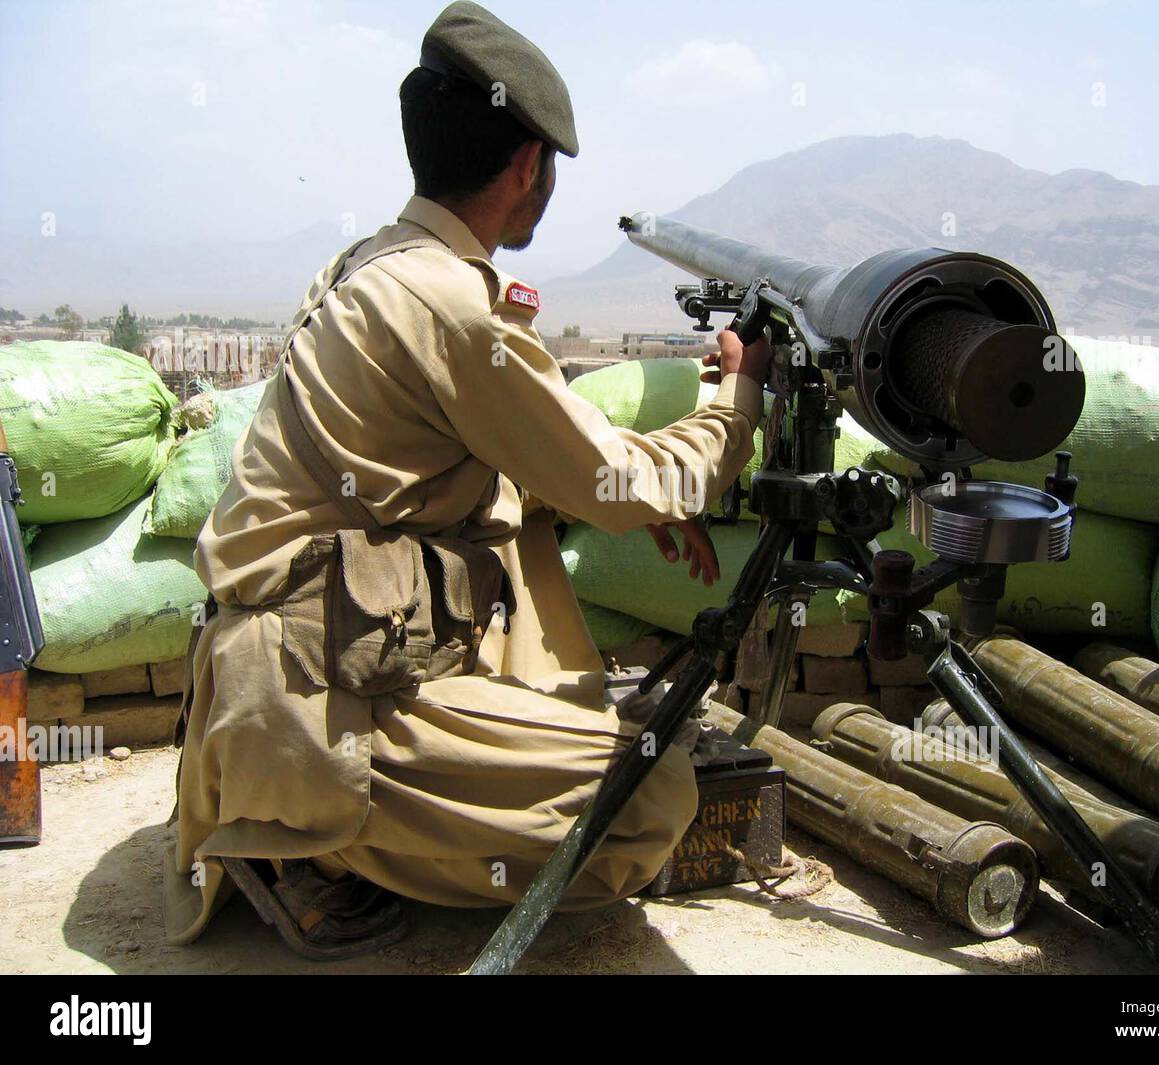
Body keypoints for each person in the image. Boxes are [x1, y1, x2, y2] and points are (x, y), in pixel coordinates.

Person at [164, 1, 771, 959]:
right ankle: (301, 837)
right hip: (312, 697)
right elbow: (617, 474)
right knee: (652, 792)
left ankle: (315, 803)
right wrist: (737, 401)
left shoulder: (369, 264)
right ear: (529, 165)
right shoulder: (455, 306)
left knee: (521, 534)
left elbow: (507, 455)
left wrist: (608, 492)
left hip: (278, 663)